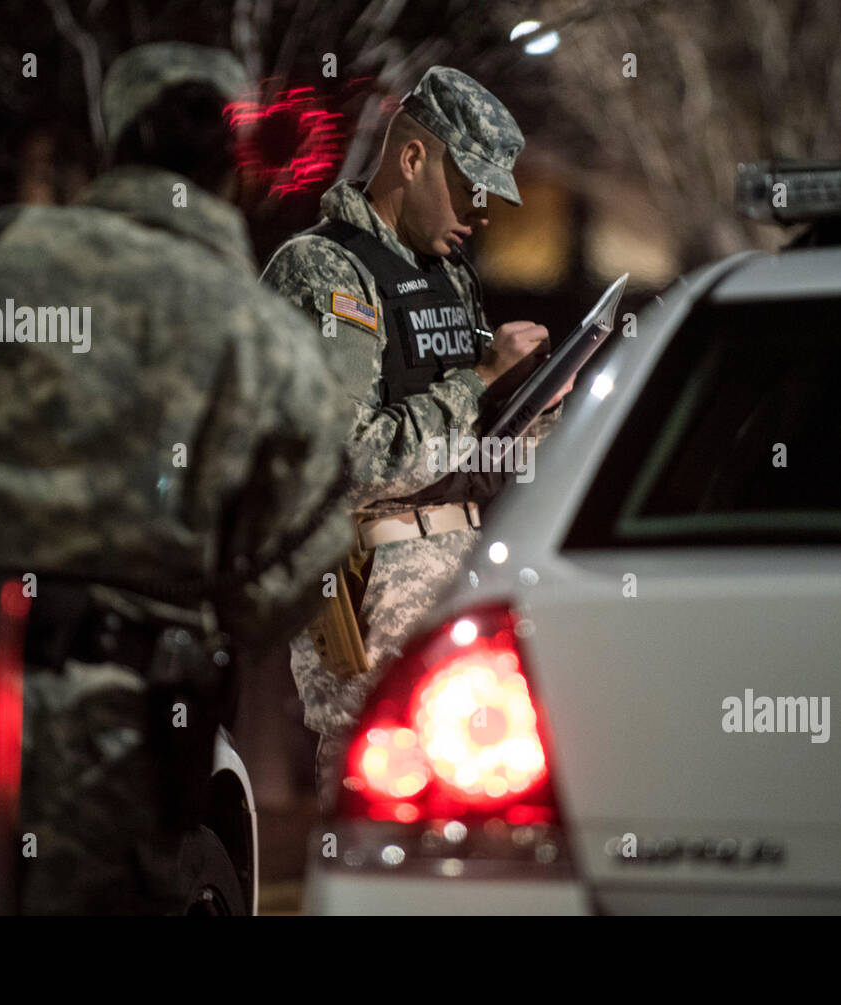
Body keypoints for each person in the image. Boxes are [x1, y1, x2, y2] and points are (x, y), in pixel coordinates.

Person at [0, 42, 352, 913]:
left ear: (117, 144)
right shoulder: (268, 341)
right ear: (235, 165)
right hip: (129, 739)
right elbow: (296, 568)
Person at [261, 65, 569, 807]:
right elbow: (347, 464)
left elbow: (462, 449)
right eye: (472, 186)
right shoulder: (323, 270)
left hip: (460, 575)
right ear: (411, 159)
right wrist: (479, 380)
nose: (487, 210)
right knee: (386, 814)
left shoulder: (448, 274)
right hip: (373, 590)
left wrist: (535, 410)